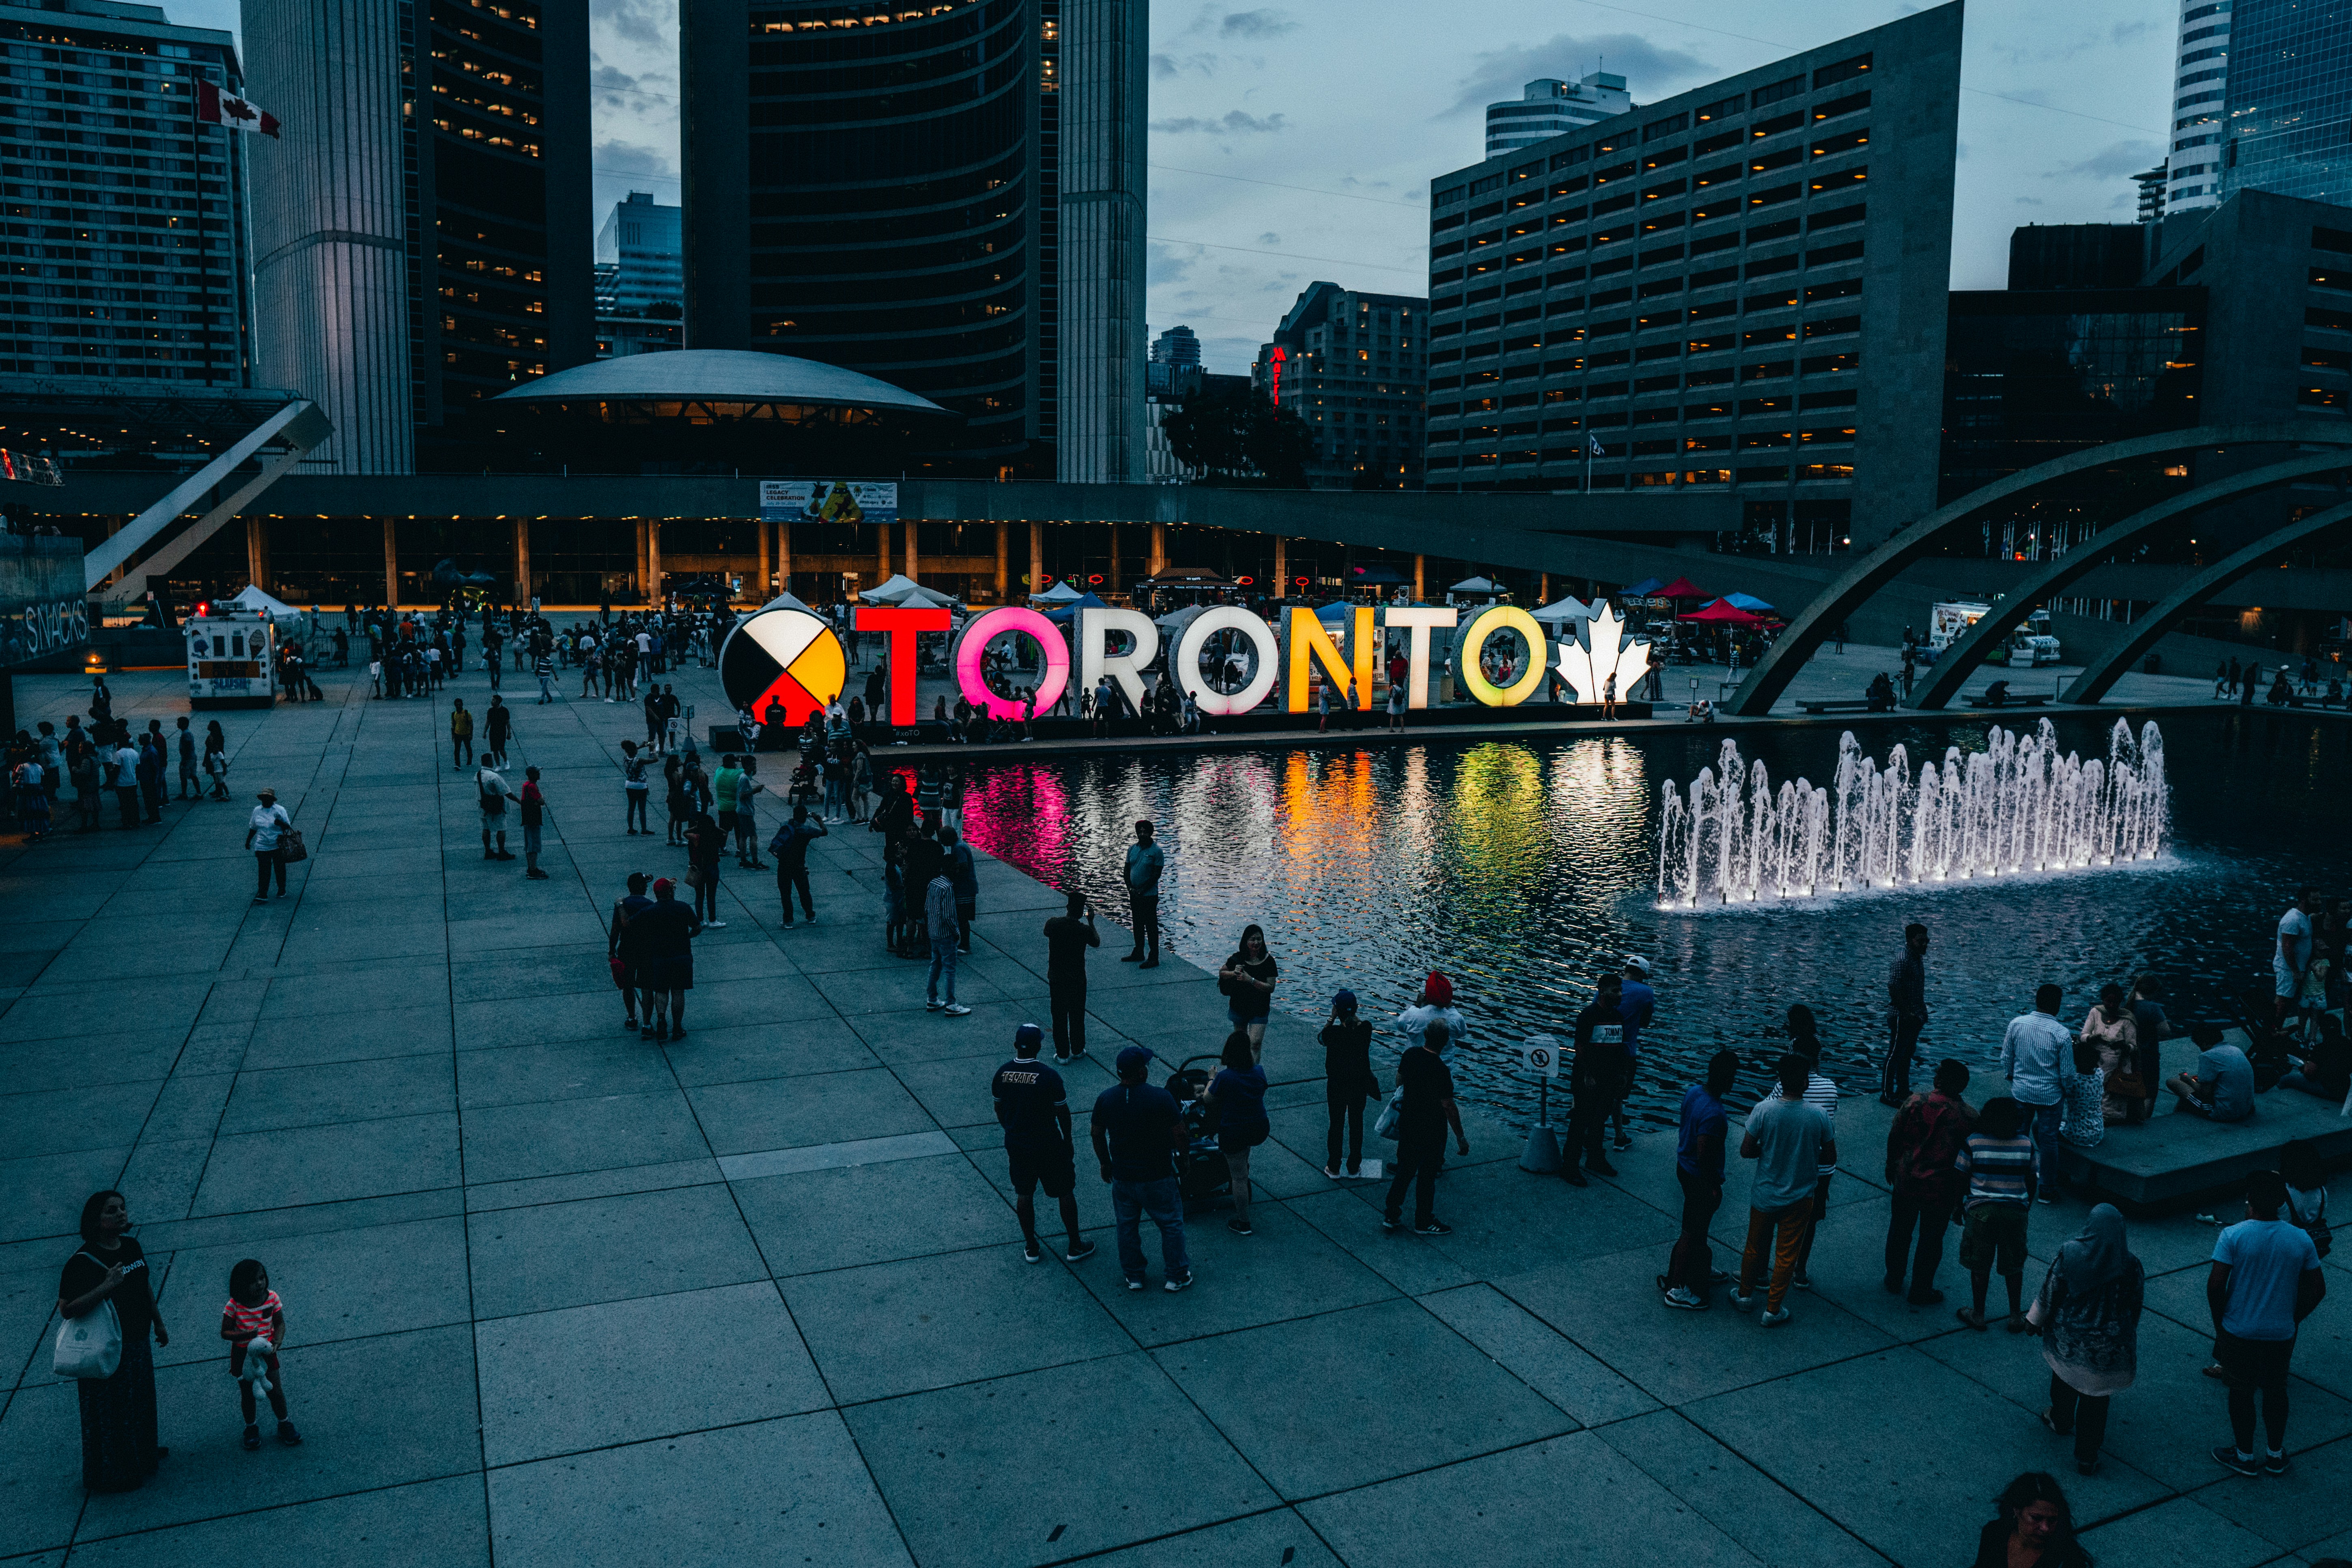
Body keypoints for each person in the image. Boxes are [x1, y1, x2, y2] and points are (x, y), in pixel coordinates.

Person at [2209, 1168, 2328, 1476]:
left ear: (2249, 1199)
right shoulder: (2300, 1239)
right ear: (2279, 1202)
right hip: (2280, 1331)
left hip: (2239, 1329)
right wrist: (2294, 1315)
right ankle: (2275, 1453)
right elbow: (2318, 1288)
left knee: (2241, 1391)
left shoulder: (2233, 1235)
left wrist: (2220, 1322)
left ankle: (2244, 1454)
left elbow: (2215, 1284)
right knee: (2276, 1390)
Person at [57, 1190, 171, 1492]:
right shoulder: (82, 1261)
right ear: (97, 1221)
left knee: (140, 1401)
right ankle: (114, 1471)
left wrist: (158, 1322)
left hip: (137, 1340)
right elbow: (67, 1309)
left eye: (122, 1208)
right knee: (113, 1410)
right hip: (106, 1344)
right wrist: (106, 1286)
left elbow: (144, 1285)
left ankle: (142, 1455)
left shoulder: (132, 1246)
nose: (120, 1213)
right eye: (111, 1210)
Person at [2028, 1204, 2141, 1476]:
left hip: (2069, 1342)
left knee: (2063, 1382)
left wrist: (2034, 1320)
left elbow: (2050, 1290)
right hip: (2108, 1351)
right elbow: (2134, 1304)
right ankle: (2087, 1457)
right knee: (2096, 1403)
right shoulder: (2130, 1265)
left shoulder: (2070, 1254)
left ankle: (2060, 1418)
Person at [1731, 1055, 1836, 1326]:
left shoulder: (1763, 1110)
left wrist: (1766, 1151)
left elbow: (1746, 1150)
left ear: (1779, 1079)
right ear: (1804, 1082)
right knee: (1786, 1254)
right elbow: (1829, 1156)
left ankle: (1744, 1295)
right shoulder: (1818, 1116)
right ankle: (1773, 1309)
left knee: (1754, 1246)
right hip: (1801, 1197)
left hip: (1765, 1193)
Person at [991, 1023, 1094, 1265]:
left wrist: (1011, 1130)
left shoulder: (1002, 1074)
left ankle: (1032, 1247)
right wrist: (1068, 1141)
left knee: (1024, 1194)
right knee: (1065, 1191)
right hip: (1048, 1144)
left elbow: (999, 1109)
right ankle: (1075, 1245)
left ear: (1016, 1045)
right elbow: (1063, 1113)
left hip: (1018, 1144)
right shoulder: (1049, 1076)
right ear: (1039, 1046)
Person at [1091, 1045, 1192, 1291]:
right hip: (1158, 1175)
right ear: (1141, 1073)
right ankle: (1176, 1275)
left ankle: (1134, 1276)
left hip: (1124, 1177)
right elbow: (1180, 1132)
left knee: (1127, 1227)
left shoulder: (1106, 1098)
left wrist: (1105, 1162)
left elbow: (1096, 1133)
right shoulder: (1161, 1097)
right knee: (1170, 1224)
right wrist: (1184, 1160)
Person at [1754, 1006, 1838, 1289]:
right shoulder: (1830, 1088)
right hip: (1819, 1167)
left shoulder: (1782, 1087)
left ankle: (1763, 1273)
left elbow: (1768, 1110)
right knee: (1810, 1219)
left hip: (1786, 1160)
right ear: (1817, 1060)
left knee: (1772, 1216)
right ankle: (1799, 1270)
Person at [1884, 1058, 1973, 1305]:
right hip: (1941, 1189)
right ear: (1963, 1086)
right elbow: (1968, 1160)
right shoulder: (1968, 1117)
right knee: (1932, 1240)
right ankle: (1920, 1289)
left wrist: (1891, 1165)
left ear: (1937, 1081)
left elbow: (1895, 1136)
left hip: (1907, 1179)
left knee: (1900, 1231)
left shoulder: (1914, 1102)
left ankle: (1894, 1278)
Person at [1661, 1048, 1740, 1310]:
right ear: (1727, 1080)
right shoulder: (1715, 1114)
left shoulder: (1694, 1092)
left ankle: (1693, 1272)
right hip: (1699, 1178)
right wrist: (1714, 1188)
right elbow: (1705, 1154)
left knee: (1697, 1228)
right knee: (1691, 1232)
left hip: (1684, 1168)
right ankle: (1677, 1288)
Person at [1955, 1096, 2037, 1331]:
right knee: (2014, 1265)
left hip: (1981, 1211)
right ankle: (2014, 1316)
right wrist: (2026, 1204)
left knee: (1980, 1265)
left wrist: (1958, 1207)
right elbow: (2031, 1179)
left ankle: (1978, 1315)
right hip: (2015, 1212)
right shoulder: (2026, 1145)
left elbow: (1961, 1177)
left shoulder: (1973, 1142)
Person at [1384, 1017, 1469, 1235]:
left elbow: (1399, 1081)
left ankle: (1392, 1214)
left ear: (1425, 1035)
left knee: (1404, 1170)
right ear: (1445, 1042)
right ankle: (1423, 1220)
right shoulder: (1441, 1070)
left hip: (1409, 1123)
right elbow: (1449, 1106)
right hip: (1431, 1129)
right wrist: (1460, 1136)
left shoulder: (1410, 1055)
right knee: (1427, 1176)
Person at [220, 1257, 301, 1450]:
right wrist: (245, 1335)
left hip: (267, 1351)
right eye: (253, 1281)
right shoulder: (235, 1305)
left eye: (262, 1278)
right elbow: (225, 1332)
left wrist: (277, 1341)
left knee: (275, 1390)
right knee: (248, 1393)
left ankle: (284, 1423)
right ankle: (251, 1428)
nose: (260, 1283)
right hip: (242, 1355)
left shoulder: (272, 1298)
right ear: (241, 1286)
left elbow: (280, 1323)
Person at [2001, 983, 2072, 1197]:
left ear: (2037, 1000)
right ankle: (2047, 1190)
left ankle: (2015, 1179)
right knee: (2049, 1141)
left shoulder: (2017, 1024)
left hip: (2022, 1091)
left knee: (2018, 1136)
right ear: (2057, 1005)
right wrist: (2065, 1091)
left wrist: (2014, 1079)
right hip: (2050, 1096)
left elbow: (2006, 1058)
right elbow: (2067, 1074)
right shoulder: (2062, 1033)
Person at [1562, 972, 1628, 1186]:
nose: (1619, 995)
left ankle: (1595, 1159)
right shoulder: (1589, 1015)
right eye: (1614, 991)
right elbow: (1580, 1048)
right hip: (1587, 1078)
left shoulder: (1618, 1017)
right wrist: (1588, 1075)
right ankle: (1570, 1167)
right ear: (1602, 992)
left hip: (1608, 1079)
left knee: (1600, 1121)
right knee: (1580, 1121)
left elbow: (1619, 1049)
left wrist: (1621, 1075)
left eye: (1620, 991)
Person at [1203, 1030, 1270, 1235]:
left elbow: (1208, 1099)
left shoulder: (1225, 1077)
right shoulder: (1259, 1071)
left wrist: (1212, 1079)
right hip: (1258, 1127)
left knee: (1238, 1178)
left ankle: (1244, 1223)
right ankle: (1243, 1172)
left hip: (1235, 1131)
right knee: (1243, 1163)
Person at [630, 877, 703, 1041]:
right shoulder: (683, 907)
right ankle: (677, 1028)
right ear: (670, 892)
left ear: (656, 894)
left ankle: (661, 1017)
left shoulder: (650, 911)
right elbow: (698, 927)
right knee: (678, 992)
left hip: (660, 958)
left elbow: (631, 924)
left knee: (661, 991)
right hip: (681, 957)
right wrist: (687, 937)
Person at [1969, 1473, 2091, 1568]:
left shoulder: (2066, 1559)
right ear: (2017, 1511)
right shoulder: (1994, 1533)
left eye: (2053, 1520)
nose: (2045, 1528)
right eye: (2036, 1518)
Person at [1319, 989, 1377, 1179]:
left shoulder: (1333, 1033)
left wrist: (1332, 1018)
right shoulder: (1366, 1029)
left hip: (1337, 1085)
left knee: (1336, 1124)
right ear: (1356, 1009)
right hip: (1359, 1085)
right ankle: (1354, 1166)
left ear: (1337, 1010)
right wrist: (1350, 1013)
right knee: (1356, 1124)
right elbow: (1358, 1023)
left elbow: (1321, 1038)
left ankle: (1334, 1166)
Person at [1042, 890, 1099, 1063]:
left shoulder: (1053, 924)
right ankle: (1078, 1048)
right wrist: (1091, 922)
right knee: (1077, 1015)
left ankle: (1062, 1054)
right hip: (1077, 979)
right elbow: (1096, 942)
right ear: (1082, 912)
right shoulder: (1084, 930)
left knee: (1059, 1016)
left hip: (1057, 978)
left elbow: (1046, 932)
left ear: (1067, 907)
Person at [2167, 1021, 2255, 1123]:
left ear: (2204, 1044)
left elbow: (2205, 1093)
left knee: (2173, 1082)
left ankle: (2176, 1119)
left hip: (2226, 1112)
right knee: (2192, 1089)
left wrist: (2188, 1080)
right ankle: (2179, 1113)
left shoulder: (2208, 1056)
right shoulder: (2236, 1050)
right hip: (2247, 1108)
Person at [1882, 922, 1929, 1106]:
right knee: (1894, 1055)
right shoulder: (1903, 959)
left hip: (1914, 1015)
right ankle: (1886, 1094)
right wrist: (1906, 1013)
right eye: (1921, 941)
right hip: (1902, 1016)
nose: (1925, 944)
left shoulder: (1917, 958)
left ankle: (1903, 1089)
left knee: (1907, 1053)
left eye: (1927, 941)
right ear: (1910, 941)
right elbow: (1893, 987)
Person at [2080, 985, 2141, 1125]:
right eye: (2108, 1001)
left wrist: (2123, 1046)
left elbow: (2134, 1047)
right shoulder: (2096, 1012)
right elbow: (2083, 1035)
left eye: (2115, 1002)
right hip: (2095, 1062)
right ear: (2103, 1000)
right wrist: (2092, 1038)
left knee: (2112, 1097)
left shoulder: (2127, 1019)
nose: (2111, 1005)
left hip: (2117, 1066)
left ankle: (2111, 1120)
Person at [1612, 955, 1656, 1150]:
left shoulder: (1609, 986)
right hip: (1625, 1051)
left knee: (1598, 1092)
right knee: (1618, 1095)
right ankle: (1619, 1137)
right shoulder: (1646, 992)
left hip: (1601, 1048)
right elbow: (1646, 1023)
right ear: (1642, 975)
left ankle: (1588, 1134)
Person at [1218, 924, 1278, 1059]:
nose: (1256, 943)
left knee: (1255, 1044)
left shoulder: (1269, 962)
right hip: (1239, 1006)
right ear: (1246, 941)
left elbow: (1271, 987)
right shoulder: (1237, 958)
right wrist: (1234, 973)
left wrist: (1250, 980)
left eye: (1259, 939)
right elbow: (1222, 973)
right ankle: (1241, 1072)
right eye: (1252, 939)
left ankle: (1252, 1074)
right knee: (1241, 1043)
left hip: (1260, 1008)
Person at [923, 861, 968, 1016]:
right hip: (945, 935)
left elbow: (927, 908)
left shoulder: (934, 883)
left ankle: (932, 999)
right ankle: (951, 1004)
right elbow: (949, 915)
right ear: (953, 871)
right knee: (950, 969)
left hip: (933, 932)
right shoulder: (948, 888)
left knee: (935, 965)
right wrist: (956, 932)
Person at [609, 872, 653, 1032]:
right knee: (647, 987)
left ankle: (632, 1017)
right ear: (641, 887)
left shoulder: (623, 904)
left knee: (628, 986)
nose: (648, 887)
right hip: (646, 950)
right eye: (645, 884)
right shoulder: (650, 904)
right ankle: (647, 1023)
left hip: (626, 950)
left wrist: (611, 950)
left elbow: (615, 930)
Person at [770, 804, 826, 925]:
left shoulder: (786, 825)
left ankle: (788, 920)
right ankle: (810, 915)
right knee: (804, 892)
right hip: (799, 865)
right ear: (805, 817)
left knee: (786, 894)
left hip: (784, 864)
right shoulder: (808, 831)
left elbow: (784, 823)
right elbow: (824, 832)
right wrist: (819, 820)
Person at [1122, 818, 1164, 967]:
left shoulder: (1156, 852)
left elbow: (1156, 875)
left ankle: (1154, 957)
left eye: (1145, 831)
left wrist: (1141, 890)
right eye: (1140, 831)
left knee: (1151, 926)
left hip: (1149, 896)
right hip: (1135, 895)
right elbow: (1127, 870)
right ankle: (1139, 952)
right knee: (1138, 924)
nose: (1142, 834)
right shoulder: (1132, 849)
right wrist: (1131, 889)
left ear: (1151, 833)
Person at [2276, 886, 2315, 1031]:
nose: (2319, 902)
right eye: (2315, 899)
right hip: (2288, 969)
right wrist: (2295, 970)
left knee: (2288, 1001)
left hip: (2298, 968)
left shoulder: (2306, 917)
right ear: (2305, 900)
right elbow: (2287, 947)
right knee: (2283, 1001)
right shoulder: (2292, 920)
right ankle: (2274, 1031)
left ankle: (2277, 1030)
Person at [245, 787, 293, 902]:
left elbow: (288, 827)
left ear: (272, 800)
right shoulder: (257, 810)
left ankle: (282, 889)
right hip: (262, 845)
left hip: (278, 845)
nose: (265, 801)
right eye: (264, 799)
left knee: (279, 868)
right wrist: (248, 841)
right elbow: (253, 827)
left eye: (268, 799)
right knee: (264, 870)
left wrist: (280, 823)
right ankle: (263, 893)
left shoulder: (280, 810)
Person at [941, 824, 977, 952]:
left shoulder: (958, 849)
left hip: (965, 889)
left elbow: (964, 866)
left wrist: (952, 871)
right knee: (962, 918)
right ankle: (963, 943)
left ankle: (965, 945)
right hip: (967, 887)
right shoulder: (960, 845)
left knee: (962, 918)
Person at [476, 761, 514, 862]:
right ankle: (502, 852)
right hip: (496, 806)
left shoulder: (478, 774)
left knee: (485, 828)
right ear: (490, 762)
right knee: (501, 828)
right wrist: (518, 801)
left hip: (483, 806)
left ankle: (488, 851)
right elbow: (506, 792)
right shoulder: (494, 776)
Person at [517, 766, 549, 880]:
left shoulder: (526, 785)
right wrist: (541, 796)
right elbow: (541, 801)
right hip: (533, 819)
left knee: (530, 844)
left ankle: (531, 868)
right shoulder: (532, 786)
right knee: (533, 845)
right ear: (532, 775)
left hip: (529, 819)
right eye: (537, 773)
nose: (539, 774)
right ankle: (533, 870)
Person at [173, 715, 196, 800]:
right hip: (192, 757)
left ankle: (184, 794)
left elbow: (187, 745)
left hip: (187, 758)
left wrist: (184, 759)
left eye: (179, 723)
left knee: (183, 776)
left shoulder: (186, 734)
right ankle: (198, 792)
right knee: (193, 775)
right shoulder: (187, 733)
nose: (177, 724)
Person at [450, 697, 474, 770]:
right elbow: (453, 725)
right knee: (457, 750)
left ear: (462, 705)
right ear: (455, 706)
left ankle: (469, 761)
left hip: (466, 734)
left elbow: (471, 724)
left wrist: (471, 734)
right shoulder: (454, 714)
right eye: (457, 705)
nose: (458, 706)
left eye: (460, 705)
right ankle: (458, 764)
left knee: (468, 748)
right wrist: (453, 735)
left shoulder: (467, 714)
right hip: (457, 734)